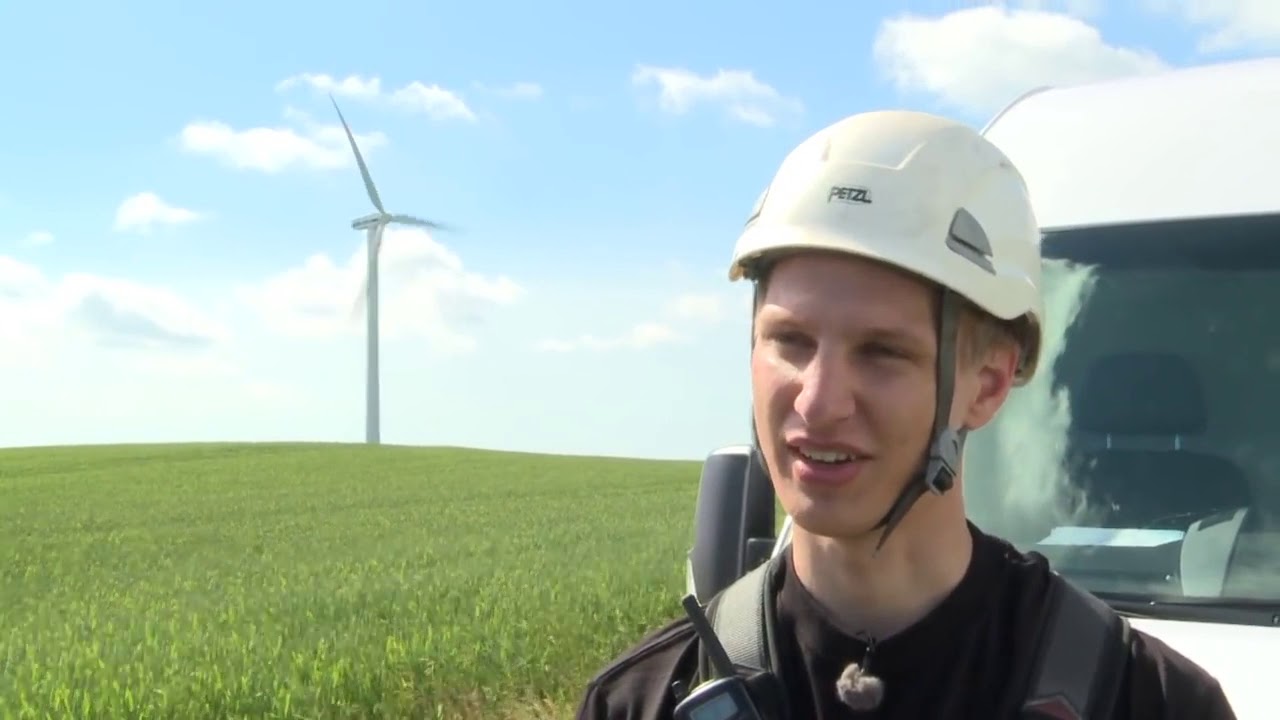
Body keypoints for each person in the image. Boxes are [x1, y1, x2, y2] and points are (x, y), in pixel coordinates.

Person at [572, 110, 1237, 719]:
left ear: (988, 383)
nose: (818, 401)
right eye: (791, 341)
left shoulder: (1146, 700)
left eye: (881, 353)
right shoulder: (649, 700)